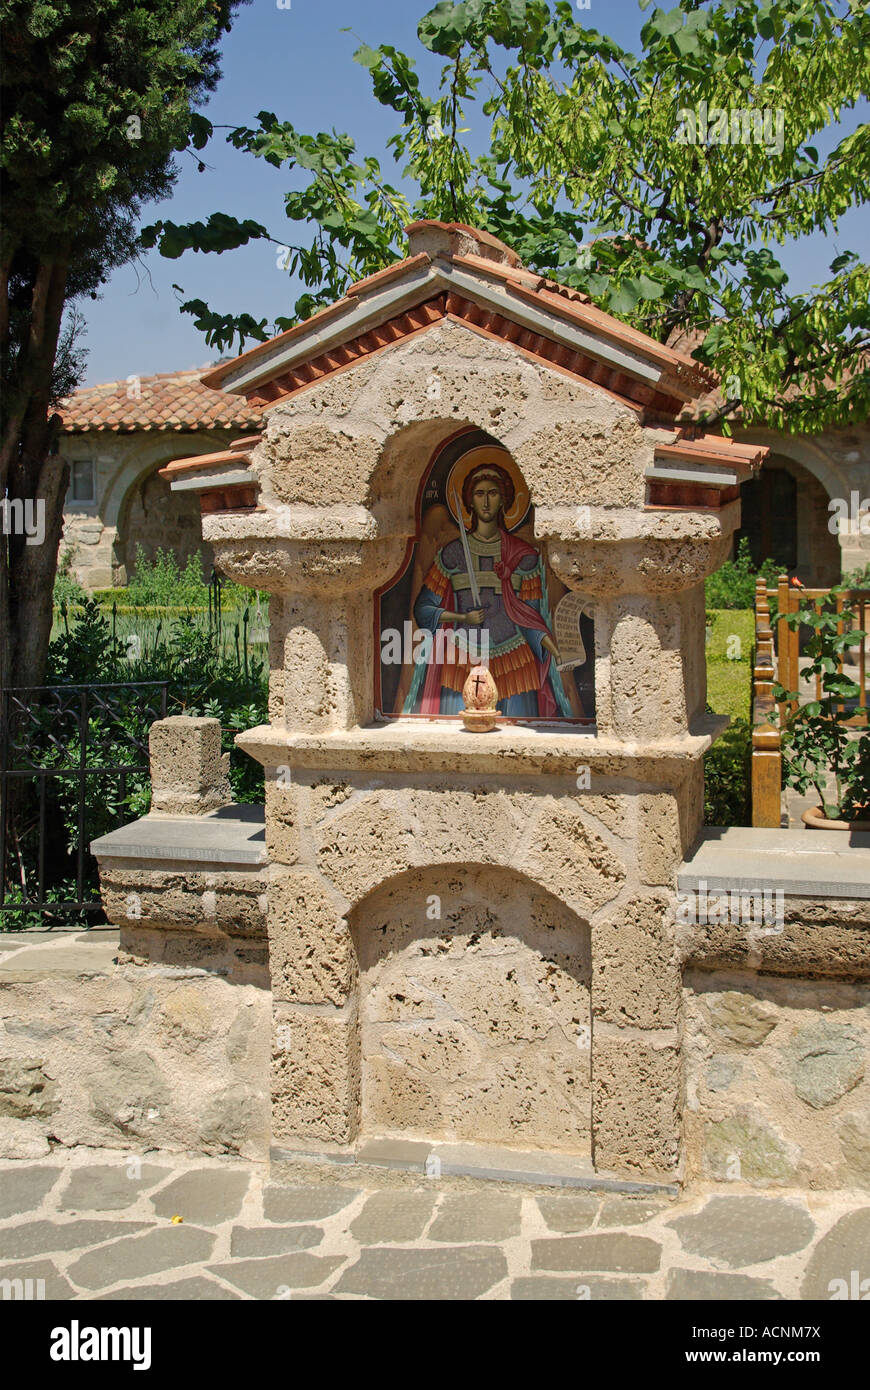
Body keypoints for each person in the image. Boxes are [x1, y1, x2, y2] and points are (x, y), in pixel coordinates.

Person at [403, 463, 573, 718]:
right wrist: (462, 618)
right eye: (479, 494)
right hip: (462, 658)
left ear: (504, 501)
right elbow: (423, 609)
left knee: (519, 736)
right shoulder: (453, 553)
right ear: (469, 501)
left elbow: (532, 619)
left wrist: (558, 653)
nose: (485, 501)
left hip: (514, 662)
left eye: (492, 493)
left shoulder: (523, 557)